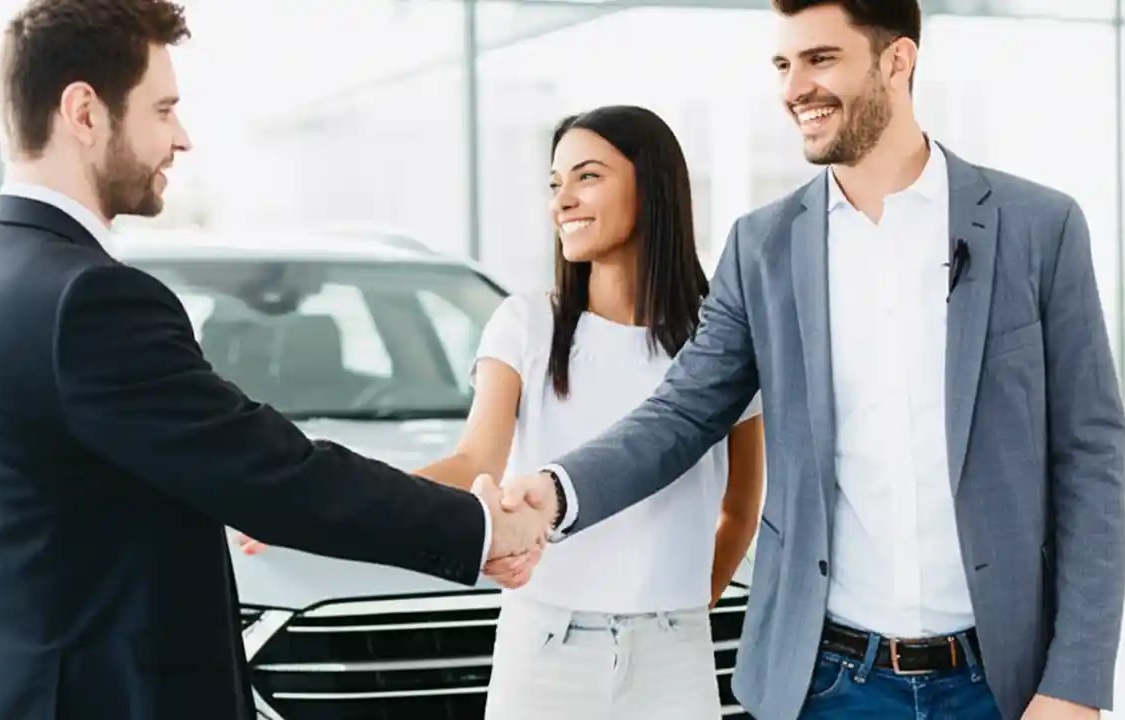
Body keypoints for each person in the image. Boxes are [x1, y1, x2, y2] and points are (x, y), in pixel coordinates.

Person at [0, 2, 544, 718]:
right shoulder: (91, 299)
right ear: (84, 112)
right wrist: (480, 528)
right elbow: (272, 474)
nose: (180, 138)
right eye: (163, 109)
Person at [497, 2, 1125, 720]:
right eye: (784, 65)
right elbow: (679, 414)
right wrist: (553, 493)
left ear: (897, 60)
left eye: (821, 59)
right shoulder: (763, 248)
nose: (796, 87)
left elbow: (1091, 458)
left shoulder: (1038, 229)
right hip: (828, 686)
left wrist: (1075, 680)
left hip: (1004, 682)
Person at [235, 105, 766, 720]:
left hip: (675, 658)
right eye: (554, 182)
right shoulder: (527, 324)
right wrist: (314, 512)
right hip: (546, 649)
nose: (561, 200)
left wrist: (687, 607)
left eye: (586, 176)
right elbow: (472, 465)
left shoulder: (716, 342)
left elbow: (740, 505)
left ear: (653, 186)